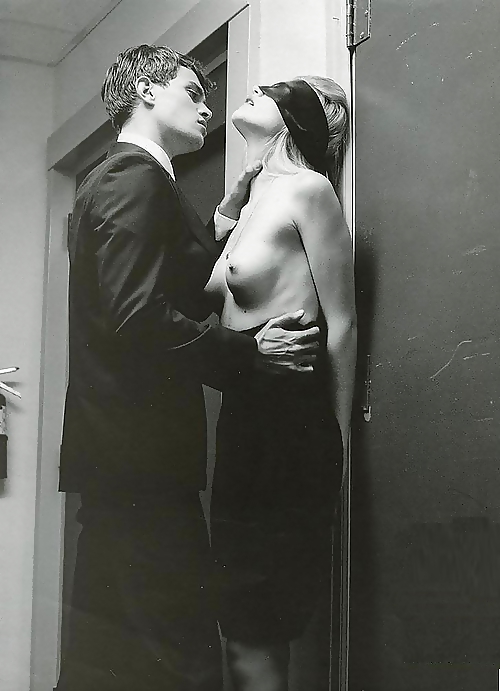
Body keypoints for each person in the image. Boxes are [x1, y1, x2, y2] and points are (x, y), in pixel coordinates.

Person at [56, 46, 320, 691]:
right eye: (192, 91)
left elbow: (161, 285)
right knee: (183, 658)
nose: (208, 107)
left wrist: (225, 214)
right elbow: (136, 315)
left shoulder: (112, 177)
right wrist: (248, 353)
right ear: (147, 91)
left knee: (103, 659)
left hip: (117, 459)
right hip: (141, 464)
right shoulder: (136, 178)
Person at [206, 76, 356, 690]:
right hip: (243, 411)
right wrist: (228, 208)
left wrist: (338, 437)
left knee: (262, 613)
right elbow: (202, 293)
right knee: (238, 608)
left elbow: (342, 322)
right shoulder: (248, 206)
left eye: (270, 91)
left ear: (295, 118)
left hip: (291, 415)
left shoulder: (309, 190)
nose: (253, 91)